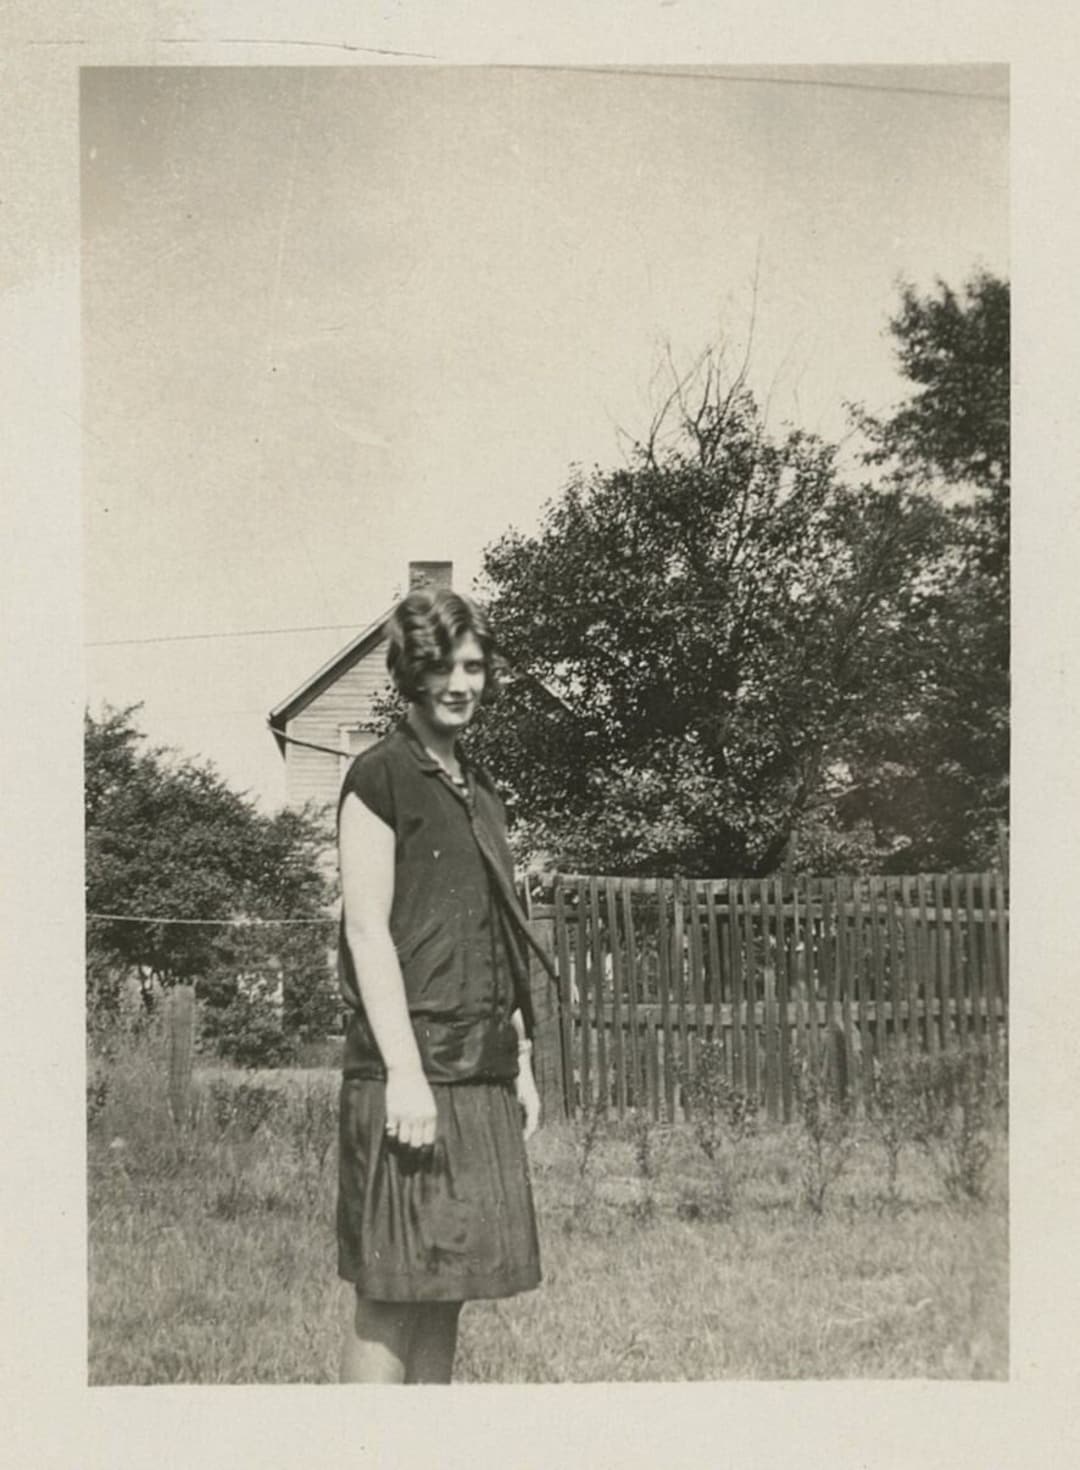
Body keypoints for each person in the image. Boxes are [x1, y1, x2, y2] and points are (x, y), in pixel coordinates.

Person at [336, 585, 545, 1383]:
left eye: (475, 666)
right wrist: (405, 1076)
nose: (461, 683)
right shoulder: (379, 777)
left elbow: (497, 929)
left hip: (477, 1069)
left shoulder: (482, 790)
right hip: (411, 1073)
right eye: (442, 667)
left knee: (447, 1287)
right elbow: (366, 932)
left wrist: (519, 1059)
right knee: (393, 1292)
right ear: (410, 674)